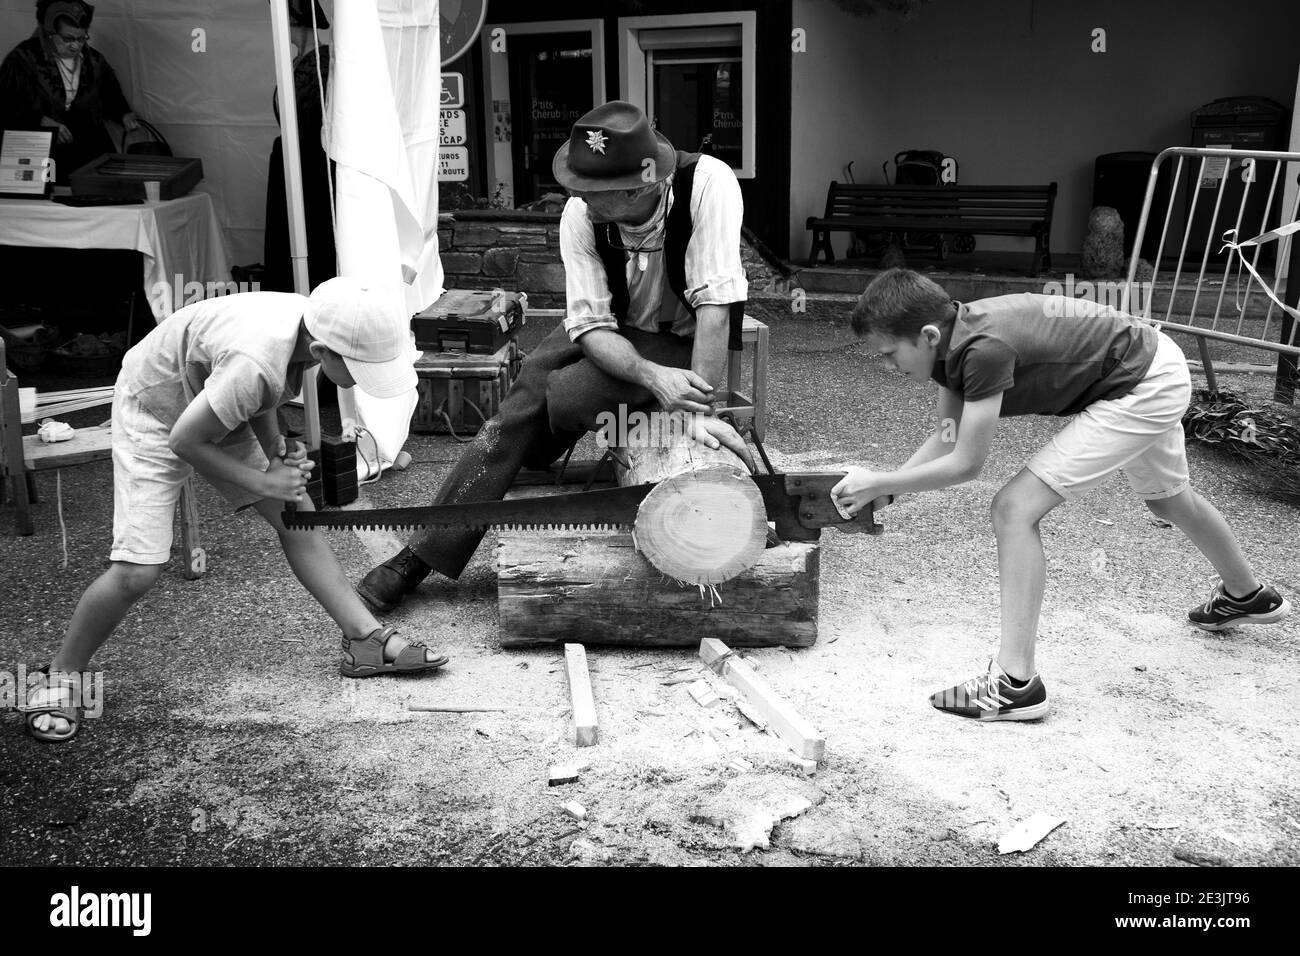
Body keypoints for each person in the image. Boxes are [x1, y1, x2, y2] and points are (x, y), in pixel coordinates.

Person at [834, 269, 1291, 721]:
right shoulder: (952, 345)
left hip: (1141, 383)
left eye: (890, 354)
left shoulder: (983, 350)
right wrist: (887, 489)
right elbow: (949, 439)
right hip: (1149, 362)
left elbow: (968, 465)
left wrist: (881, 482)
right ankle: (1248, 595)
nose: (888, 367)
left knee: (1013, 509)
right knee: (1168, 500)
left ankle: (1014, 683)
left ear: (929, 334)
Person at [357, 100, 752, 611]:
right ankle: (422, 551)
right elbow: (589, 326)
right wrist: (653, 379)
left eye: (591, 191)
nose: (575, 196)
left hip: (683, 336)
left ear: (636, 188)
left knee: (570, 396)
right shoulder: (580, 215)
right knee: (523, 400)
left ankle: (541, 440)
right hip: (615, 330)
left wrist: (700, 409)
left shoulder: (708, 186)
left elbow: (716, 310)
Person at [22, 278, 449, 743]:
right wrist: (267, 479)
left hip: (207, 398)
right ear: (323, 351)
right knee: (137, 571)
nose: (368, 376)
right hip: (156, 407)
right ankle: (63, 675)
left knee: (296, 515)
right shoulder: (257, 360)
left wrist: (276, 446)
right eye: (362, 368)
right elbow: (186, 439)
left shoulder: (313, 322)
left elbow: (254, 395)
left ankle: (364, 640)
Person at [0, 1, 140, 184]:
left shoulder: (94, 61)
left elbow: (111, 97)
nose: (75, 46)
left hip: (88, 158)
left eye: (81, 38)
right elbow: (5, 107)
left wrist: (123, 114)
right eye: (68, 39)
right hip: (41, 160)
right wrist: (39, 120)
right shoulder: (23, 59)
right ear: (49, 34)